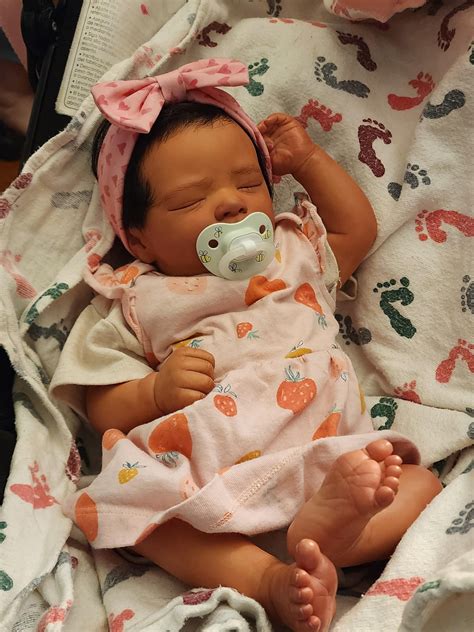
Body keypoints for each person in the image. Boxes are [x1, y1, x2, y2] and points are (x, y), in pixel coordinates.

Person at [52, 59, 441, 632]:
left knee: (419, 484)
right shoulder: (135, 297)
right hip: (204, 471)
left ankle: (327, 536)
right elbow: (101, 405)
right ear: (139, 240)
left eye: (248, 183)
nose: (232, 204)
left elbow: (356, 230)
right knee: (131, 509)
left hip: (325, 451)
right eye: (190, 201)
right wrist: (154, 391)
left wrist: (308, 161)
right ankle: (267, 580)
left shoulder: (293, 251)